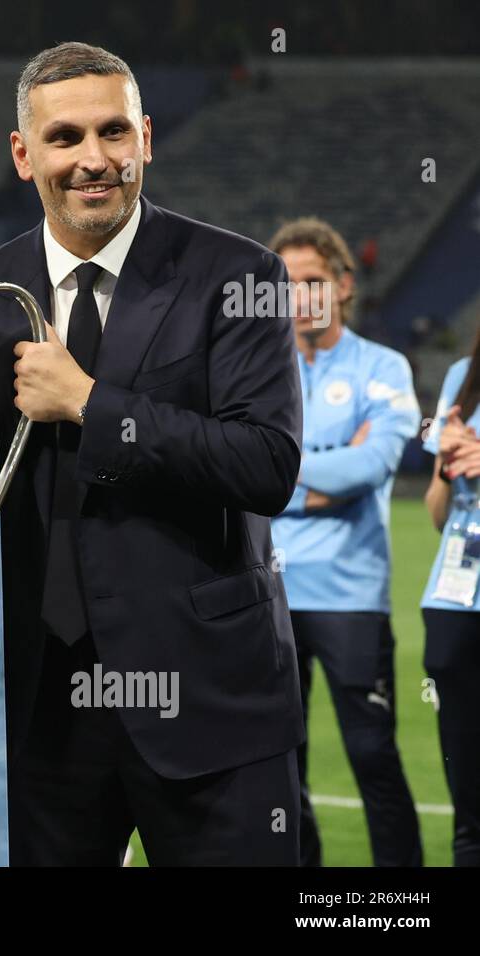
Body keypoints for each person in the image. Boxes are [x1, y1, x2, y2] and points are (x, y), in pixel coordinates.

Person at [0, 41, 304, 865]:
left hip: (206, 698)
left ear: (147, 139)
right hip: (34, 711)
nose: (93, 160)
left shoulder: (240, 275)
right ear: (23, 155)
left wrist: (91, 404)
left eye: (114, 132)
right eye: (64, 138)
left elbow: (267, 464)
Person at [267, 218, 422, 867]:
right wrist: (321, 476)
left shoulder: (382, 367)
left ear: (343, 285)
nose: (300, 297)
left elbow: (373, 466)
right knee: (281, 765)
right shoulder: (257, 373)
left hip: (352, 596)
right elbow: (229, 474)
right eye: (285, 285)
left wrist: (275, 468)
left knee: (372, 754)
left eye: (312, 282)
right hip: (270, 592)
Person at [420, 338, 480, 866]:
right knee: (469, 809)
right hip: (453, 605)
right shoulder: (464, 374)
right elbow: (438, 515)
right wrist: (445, 464)